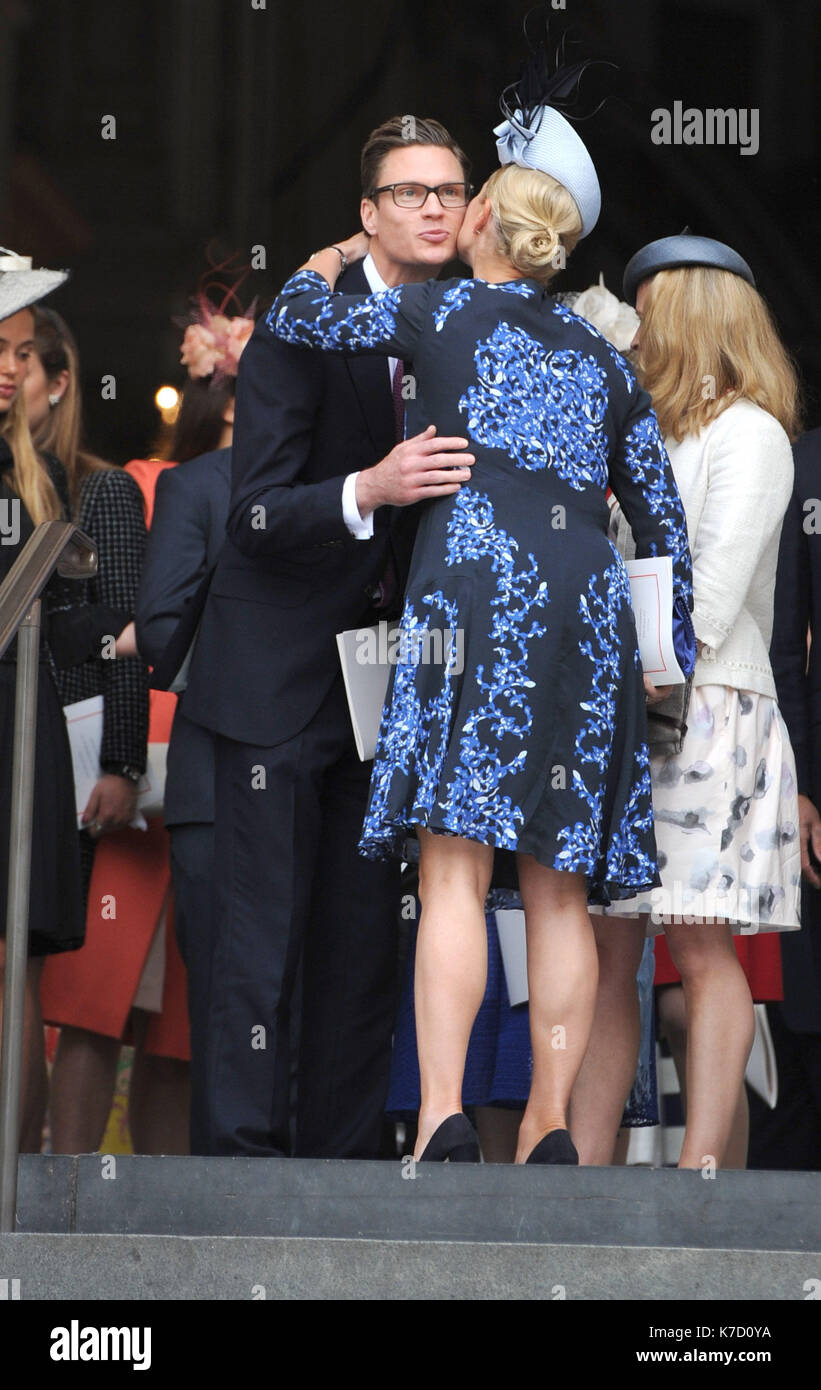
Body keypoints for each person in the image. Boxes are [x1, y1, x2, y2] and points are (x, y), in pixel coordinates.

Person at [269, 74, 694, 1164]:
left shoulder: (436, 306)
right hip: (583, 612)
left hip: (469, 591)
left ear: (485, 224)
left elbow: (298, 318)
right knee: (556, 883)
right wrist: (665, 655)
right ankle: (549, 1125)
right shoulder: (605, 361)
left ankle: (449, 1112)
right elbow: (660, 523)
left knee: (451, 867)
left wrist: (325, 255)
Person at [181, 116, 476, 1158]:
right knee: (256, 948)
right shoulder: (306, 320)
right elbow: (255, 510)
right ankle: (241, 1182)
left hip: (395, 686)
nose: (432, 205)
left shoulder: (476, 329)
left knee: (360, 949)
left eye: (447, 188)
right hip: (279, 677)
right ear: (365, 213)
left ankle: (346, 1174)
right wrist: (369, 488)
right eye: (407, 191)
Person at [573, 234, 802, 1170]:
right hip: (638, 706)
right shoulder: (644, 431)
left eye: (649, 305)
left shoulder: (749, 432)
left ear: (695, 314)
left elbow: (701, 606)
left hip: (707, 707)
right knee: (603, 957)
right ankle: (579, 1172)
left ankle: (699, 1171)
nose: (635, 325)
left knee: (703, 952)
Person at [0, 249, 132, 1147]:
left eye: (20, 353)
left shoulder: (68, 486)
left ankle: (16, 1199)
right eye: (2, 349)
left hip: (27, 728)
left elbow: (104, 628)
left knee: (20, 974)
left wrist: (123, 755)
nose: (11, 370)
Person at [133, 285, 254, 1154]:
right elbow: (154, 628)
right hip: (197, 752)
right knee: (187, 993)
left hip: (306, 765)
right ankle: (208, 1172)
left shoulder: (344, 492)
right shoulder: (178, 486)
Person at [752, 421, 821, 1168]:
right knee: (804, 996)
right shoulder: (803, 465)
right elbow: (783, 640)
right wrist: (798, 783)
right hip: (815, 772)